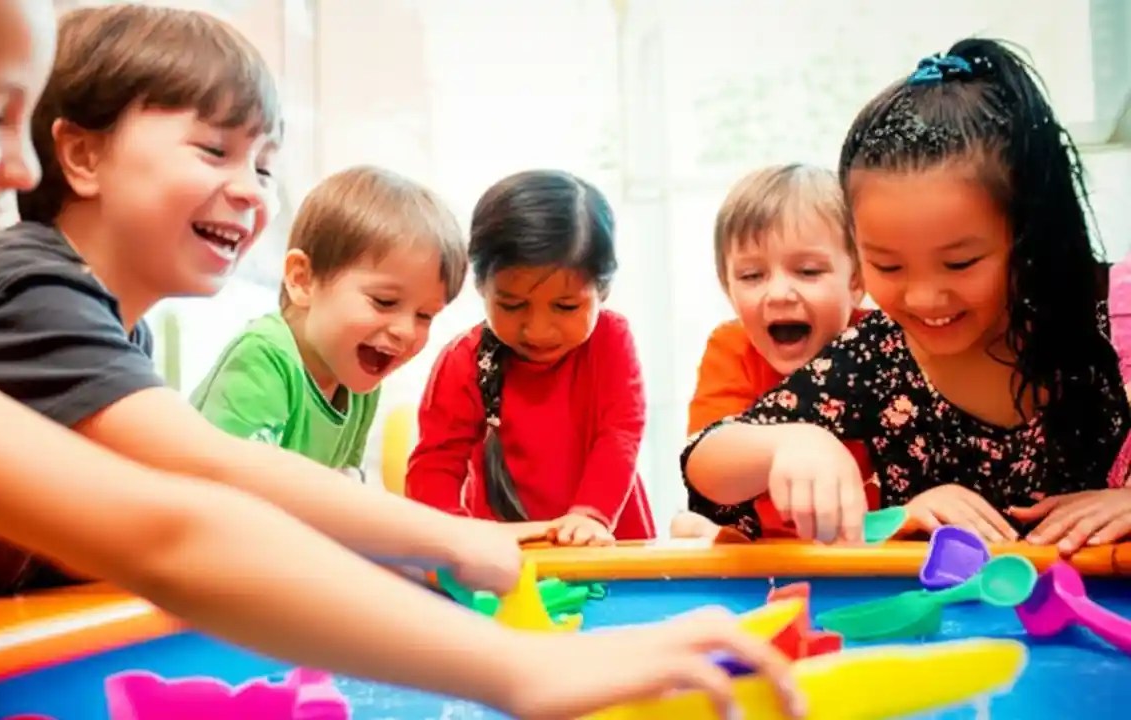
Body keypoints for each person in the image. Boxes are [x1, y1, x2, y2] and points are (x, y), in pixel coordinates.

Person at [0, 6, 803, 717]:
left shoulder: (26, 328)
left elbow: (130, 527)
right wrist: (485, 598)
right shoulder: (26, 280)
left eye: (262, 163)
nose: (19, 172)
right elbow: (184, 506)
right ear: (84, 155)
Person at [682, 39, 1131, 555]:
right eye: (887, 265)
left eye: (960, 263)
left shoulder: (1109, 316)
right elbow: (706, 461)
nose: (922, 297)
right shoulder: (876, 354)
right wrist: (793, 440)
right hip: (942, 629)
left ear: (1028, 234)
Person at [407, 169, 656, 545]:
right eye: (513, 305)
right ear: (481, 287)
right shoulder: (464, 361)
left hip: (608, 547)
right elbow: (434, 466)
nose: (538, 330)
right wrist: (453, 535)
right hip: (504, 558)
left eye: (566, 306)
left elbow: (619, 435)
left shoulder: (610, 340)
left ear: (602, 290)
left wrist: (590, 515)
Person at [191, 165, 464, 474]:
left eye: (425, 316)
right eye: (384, 302)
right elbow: (227, 487)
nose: (405, 330)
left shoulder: (359, 383)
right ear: (302, 280)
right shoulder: (264, 359)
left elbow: (343, 483)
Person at [671, 163, 875, 541]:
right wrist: (796, 439)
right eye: (752, 276)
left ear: (857, 280)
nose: (779, 293)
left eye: (809, 271)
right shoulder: (731, 347)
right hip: (760, 552)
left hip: (867, 551)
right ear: (728, 287)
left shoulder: (881, 346)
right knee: (688, 527)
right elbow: (705, 459)